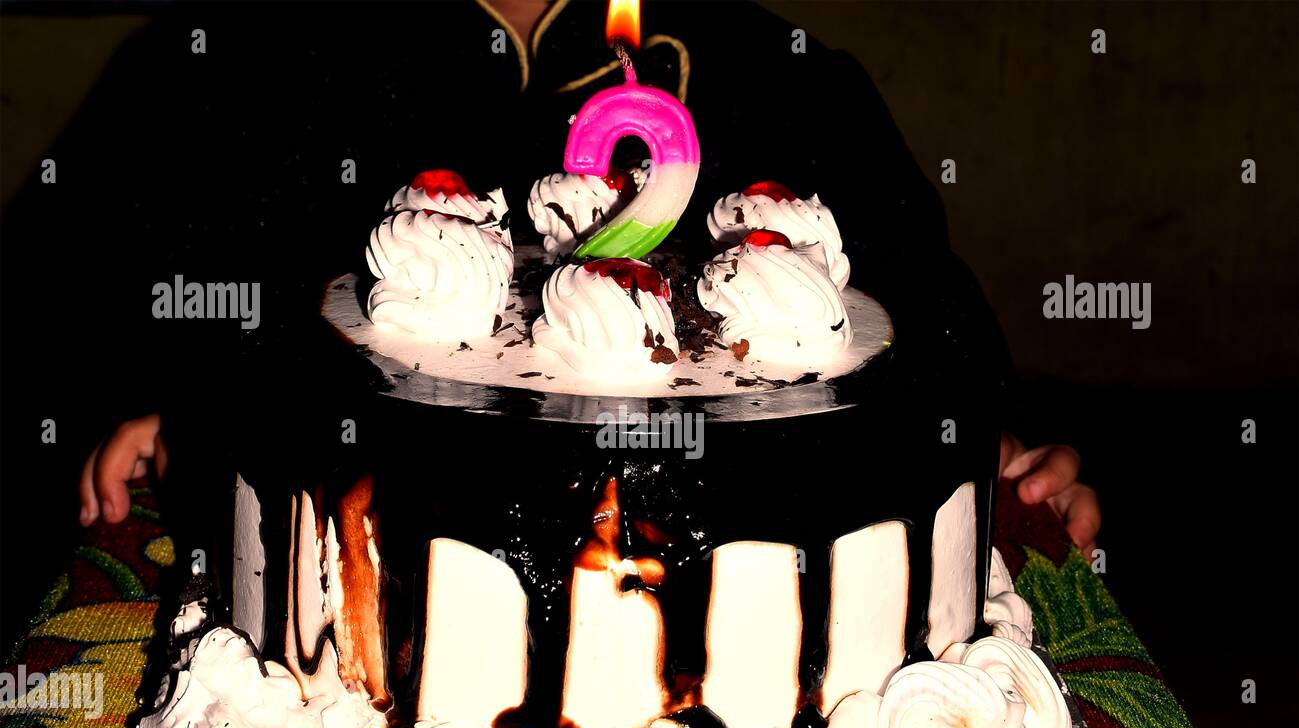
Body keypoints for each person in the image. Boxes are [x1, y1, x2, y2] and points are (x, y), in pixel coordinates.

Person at [6, 0, 1099, 635]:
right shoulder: (241, 51)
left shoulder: (782, 78)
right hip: (342, 608)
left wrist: (986, 439)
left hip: (744, 623)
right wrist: (157, 395)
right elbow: (83, 290)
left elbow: (929, 322)